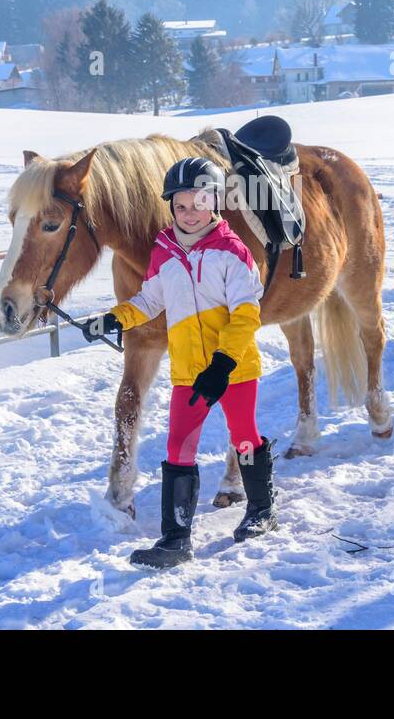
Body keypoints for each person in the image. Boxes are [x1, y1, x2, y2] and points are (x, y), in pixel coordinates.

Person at [84, 156, 276, 569]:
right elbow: (150, 300)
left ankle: (261, 511)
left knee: (244, 435)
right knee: (178, 448)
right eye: (181, 205)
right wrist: (115, 317)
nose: (190, 214)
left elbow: (246, 315)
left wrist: (223, 365)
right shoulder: (164, 251)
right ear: (171, 206)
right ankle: (175, 539)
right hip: (189, 372)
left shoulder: (233, 252)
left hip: (234, 369)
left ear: (216, 204)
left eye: (200, 203)